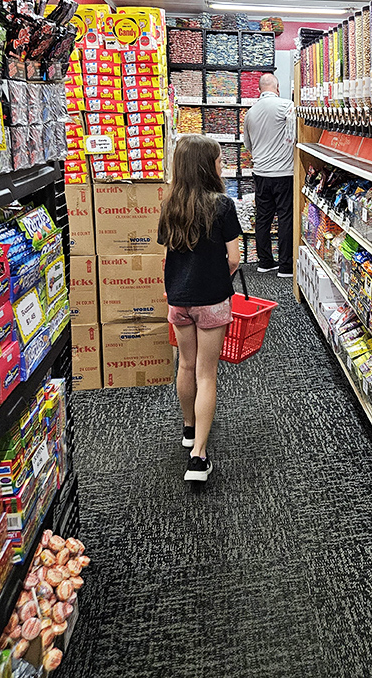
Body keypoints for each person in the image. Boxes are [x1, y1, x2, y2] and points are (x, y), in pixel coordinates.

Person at [158, 135, 242, 483]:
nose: (222, 165)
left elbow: (164, 258)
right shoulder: (222, 205)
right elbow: (235, 258)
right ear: (208, 166)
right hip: (211, 299)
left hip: (178, 298)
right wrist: (219, 273)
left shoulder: (169, 205)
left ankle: (189, 429)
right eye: (219, 160)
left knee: (186, 365)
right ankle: (198, 458)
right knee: (207, 373)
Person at [243, 72, 295, 277]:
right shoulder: (287, 105)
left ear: (258, 90)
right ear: (278, 88)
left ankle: (264, 262)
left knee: (263, 218)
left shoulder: (250, 112)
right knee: (285, 218)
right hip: (284, 173)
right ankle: (285, 266)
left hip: (261, 173)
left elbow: (248, 145)